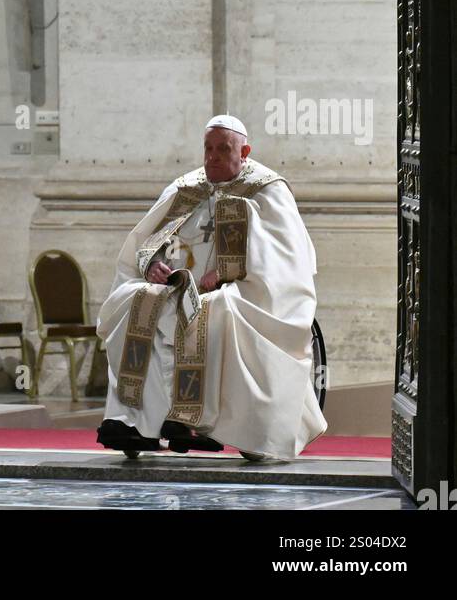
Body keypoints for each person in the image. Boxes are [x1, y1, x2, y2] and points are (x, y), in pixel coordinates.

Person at [96, 115, 327, 462]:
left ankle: (195, 420)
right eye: (208, 148)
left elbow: (288, 258)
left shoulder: (267, 189)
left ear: (244, 151)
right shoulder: (186, 188)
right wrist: (152, 265)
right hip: (177, 288)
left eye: (223, 149)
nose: (213, 157)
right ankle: (134, 422)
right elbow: (147, 240)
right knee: (135, 300)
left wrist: (227, 271)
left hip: (244, 291)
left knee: (215, 309)